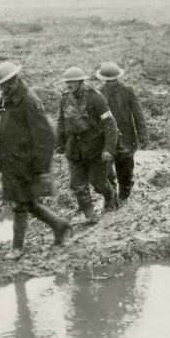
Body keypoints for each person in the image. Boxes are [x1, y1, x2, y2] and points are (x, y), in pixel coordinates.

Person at [0, 62, 71, 257]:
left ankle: (17, 248)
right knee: (25, 202)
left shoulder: (29, 101)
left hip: (26, 162)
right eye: (0, 85)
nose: (2, 88)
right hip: (12, 160)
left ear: (14, 80)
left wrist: (41, 169)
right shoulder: (7, 97)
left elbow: (47, 136)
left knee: (21, 204)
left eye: (5, 84)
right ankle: (59, 225)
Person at [55, 66, 118, 223]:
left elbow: (110, 124)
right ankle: (90, 215)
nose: (69, 85)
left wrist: (109, 149)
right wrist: (59, 143)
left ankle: (111, 198)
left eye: (72, 82)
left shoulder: (95, 98)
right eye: (67, 82)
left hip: (95, 148)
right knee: (78, 185)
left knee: (98, 183)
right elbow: (61, 121)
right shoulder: (64, 98)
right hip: (73, 149)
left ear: (81, 82)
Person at [93, 62, 148, 203]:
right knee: (106, 168)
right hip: (107, 138)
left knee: (125, 167)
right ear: (103, 79)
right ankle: (112, 196)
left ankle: (124, 194)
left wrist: (143, 137)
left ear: (117, 78)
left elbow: (138, 114)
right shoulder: (99, 93)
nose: (111, 83)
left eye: (113, 80)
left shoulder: (127, 91)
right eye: (108, 81)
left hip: (127, 137)